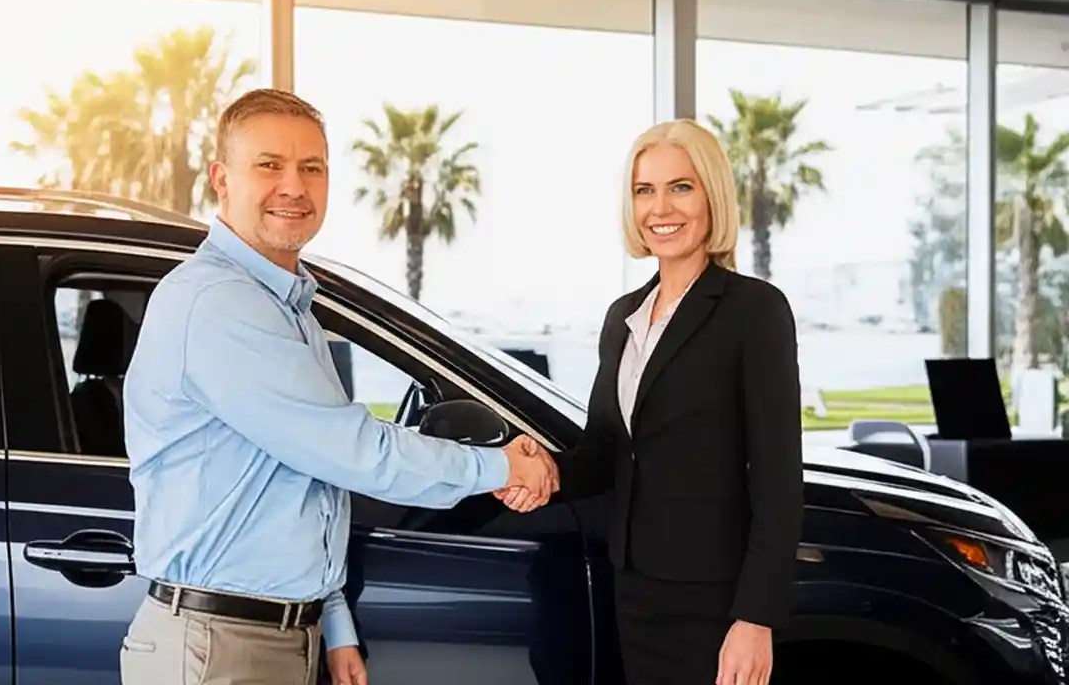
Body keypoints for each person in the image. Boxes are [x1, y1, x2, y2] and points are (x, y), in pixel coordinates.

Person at [118, 88, 557, 685]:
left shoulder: (290, 307)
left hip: (263, 639)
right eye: (269, 165)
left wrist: (331, 622)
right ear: (222, 178)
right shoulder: (219, 303)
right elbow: (351, 451)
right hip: (218, 650)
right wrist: (502, 467)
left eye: (312, 168)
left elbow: (303, 476)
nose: (293, 186)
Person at [502, 118, 803, 685]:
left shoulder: (754, 311)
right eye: (645, 190)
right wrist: (541, 470)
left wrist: (755, 617)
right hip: (635, 586)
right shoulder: (624, 317)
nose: (660, 207)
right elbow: (606, 450)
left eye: (680, 187)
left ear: (712, 195)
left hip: (715, 599)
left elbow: (778, 477)